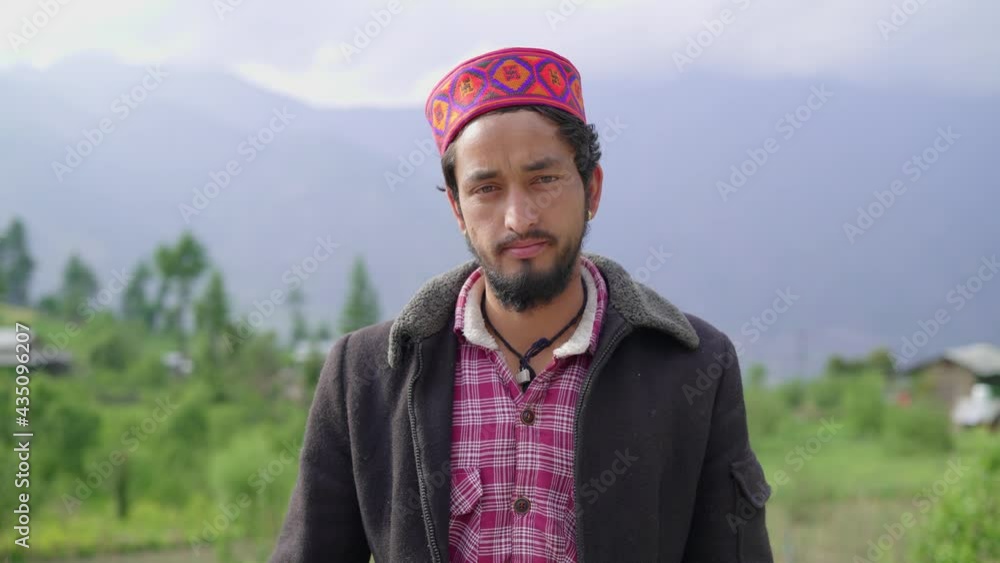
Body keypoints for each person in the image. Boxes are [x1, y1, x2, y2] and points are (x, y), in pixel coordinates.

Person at [270, 46, 773, 563]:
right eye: (486, 188)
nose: (518, 217)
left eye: (544, 180)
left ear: (592, 188)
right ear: (457, 209)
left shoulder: (692, 367)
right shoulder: (366, 376)